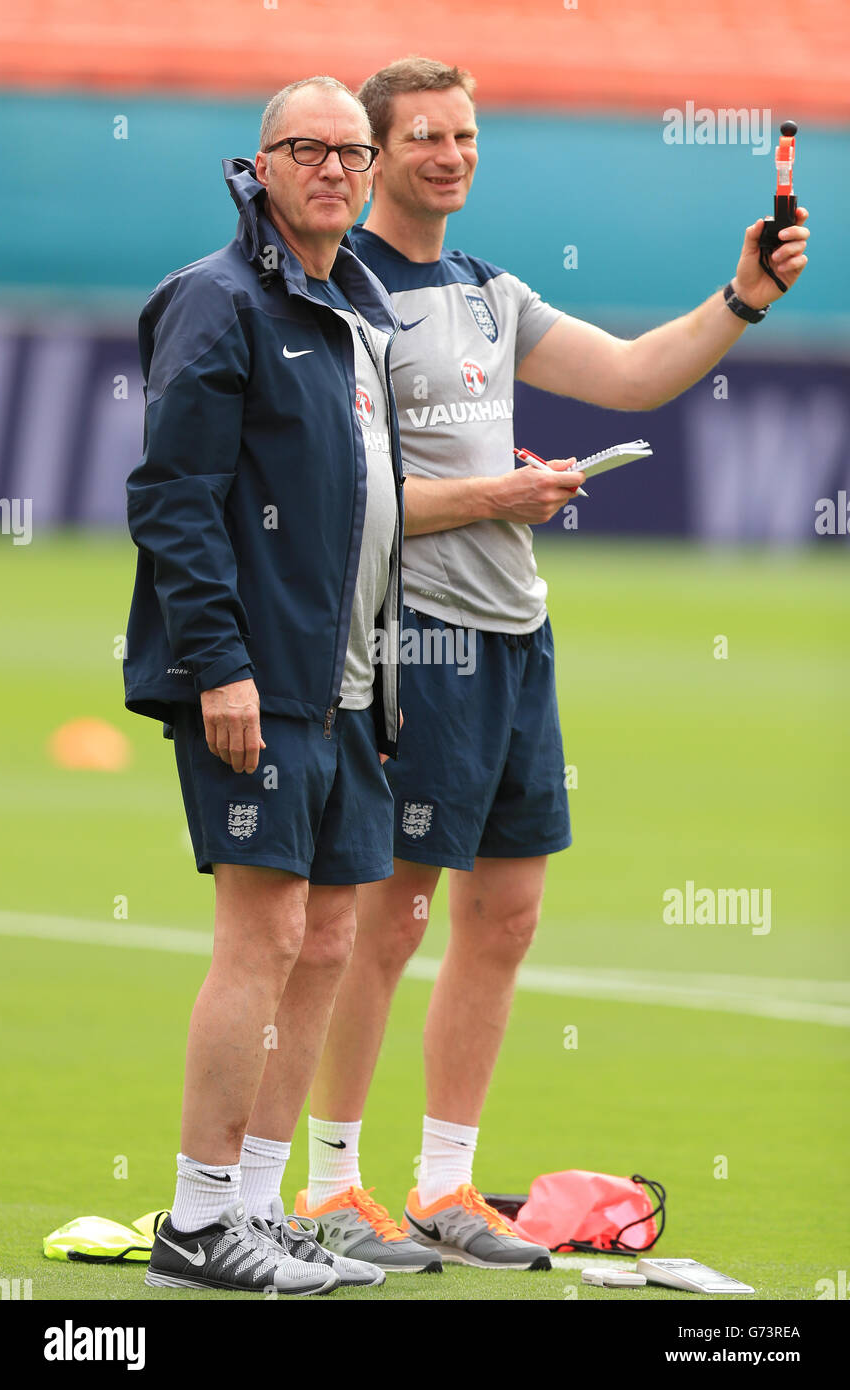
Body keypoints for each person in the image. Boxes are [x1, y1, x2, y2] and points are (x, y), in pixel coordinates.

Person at [295, 56, 812, 1270]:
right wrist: (501, 492)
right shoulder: (340, 294)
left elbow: (632, 374)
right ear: (371, 157)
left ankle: (443, 1183)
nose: (452, 154)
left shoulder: (486, 292)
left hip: (517, 637)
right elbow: (337, 497)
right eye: (424, 136)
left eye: (466, 135)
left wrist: (741, 298)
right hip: (416, 638)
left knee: (507, 915)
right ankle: (324, 1183)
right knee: (392, 916)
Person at [123, 75, 414, 1293]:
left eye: (353, 151)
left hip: (345, 682)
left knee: (332, 935)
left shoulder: (352, 303)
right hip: (257, 676)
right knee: (266, 931)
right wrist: (220, 664)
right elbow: (173, 497)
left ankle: (255, 1203)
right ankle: (195, 1223)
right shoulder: (221, 297)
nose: (336, 169)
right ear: (262, 163)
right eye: (309, 149)